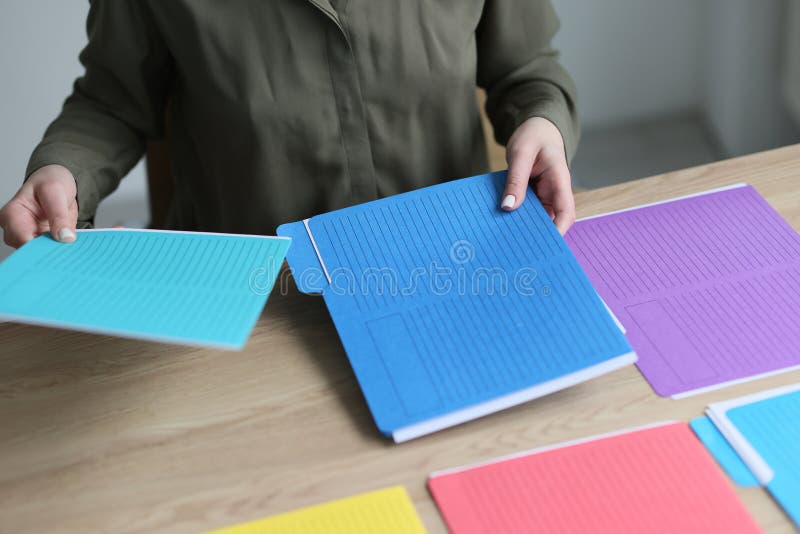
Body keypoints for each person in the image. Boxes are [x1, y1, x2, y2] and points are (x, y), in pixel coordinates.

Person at [0, 1, 578, 249]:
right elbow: (112, 102)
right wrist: (64, 168)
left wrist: (543, 124)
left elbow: (526, 69)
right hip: (253, 292)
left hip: (445, 265)